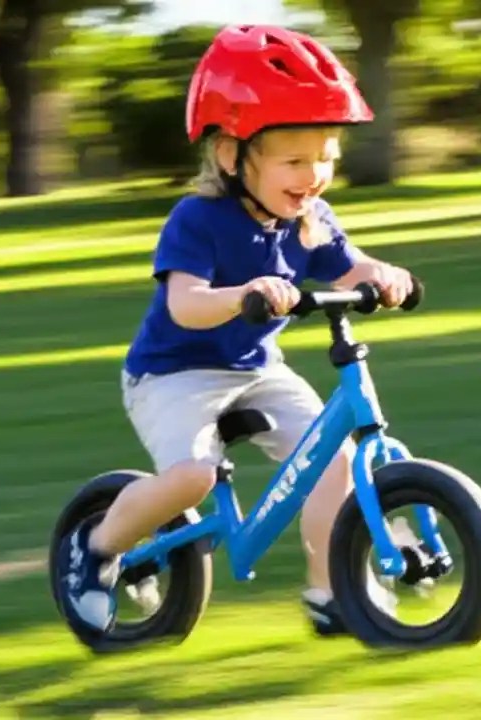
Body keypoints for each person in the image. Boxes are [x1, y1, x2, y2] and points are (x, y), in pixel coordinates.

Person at [55, 24, 416, 639]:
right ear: (231, 155)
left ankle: (335, 591)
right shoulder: (197, 219)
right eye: (295, 160)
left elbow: (346, 265)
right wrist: (243, 295)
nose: (315, 174)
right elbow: (185, 305)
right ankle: (94, 549)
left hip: (255, 371)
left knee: (338, 459)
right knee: (192, 476)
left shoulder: (309, 218)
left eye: (325, 156)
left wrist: (380, 274)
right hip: (173, 375)